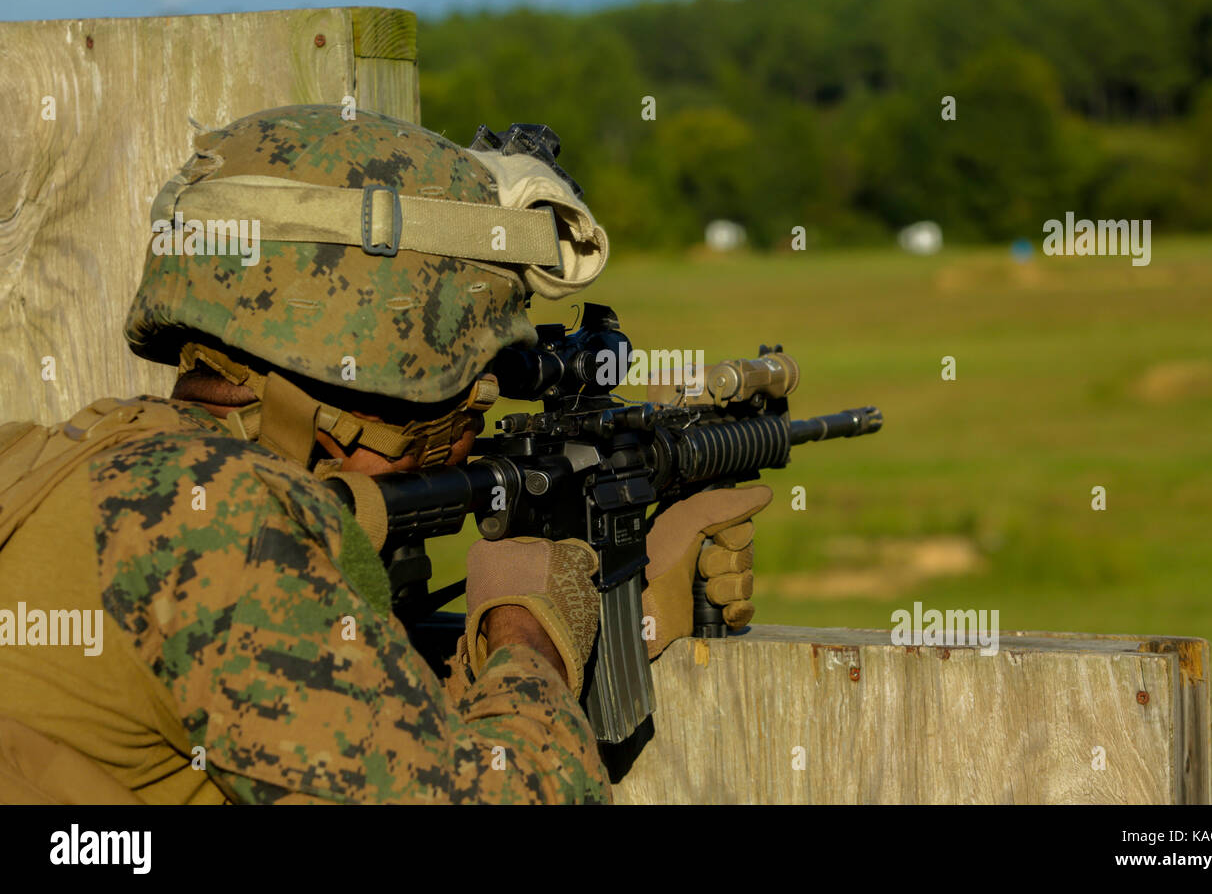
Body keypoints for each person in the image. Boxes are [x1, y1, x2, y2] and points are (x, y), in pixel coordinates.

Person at [0, 105, 770, 804]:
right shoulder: (222, 520)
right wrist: (528, 633)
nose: (470, 436)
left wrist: (635, 606)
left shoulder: (71, 458)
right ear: (383, 379)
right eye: (475, 398)